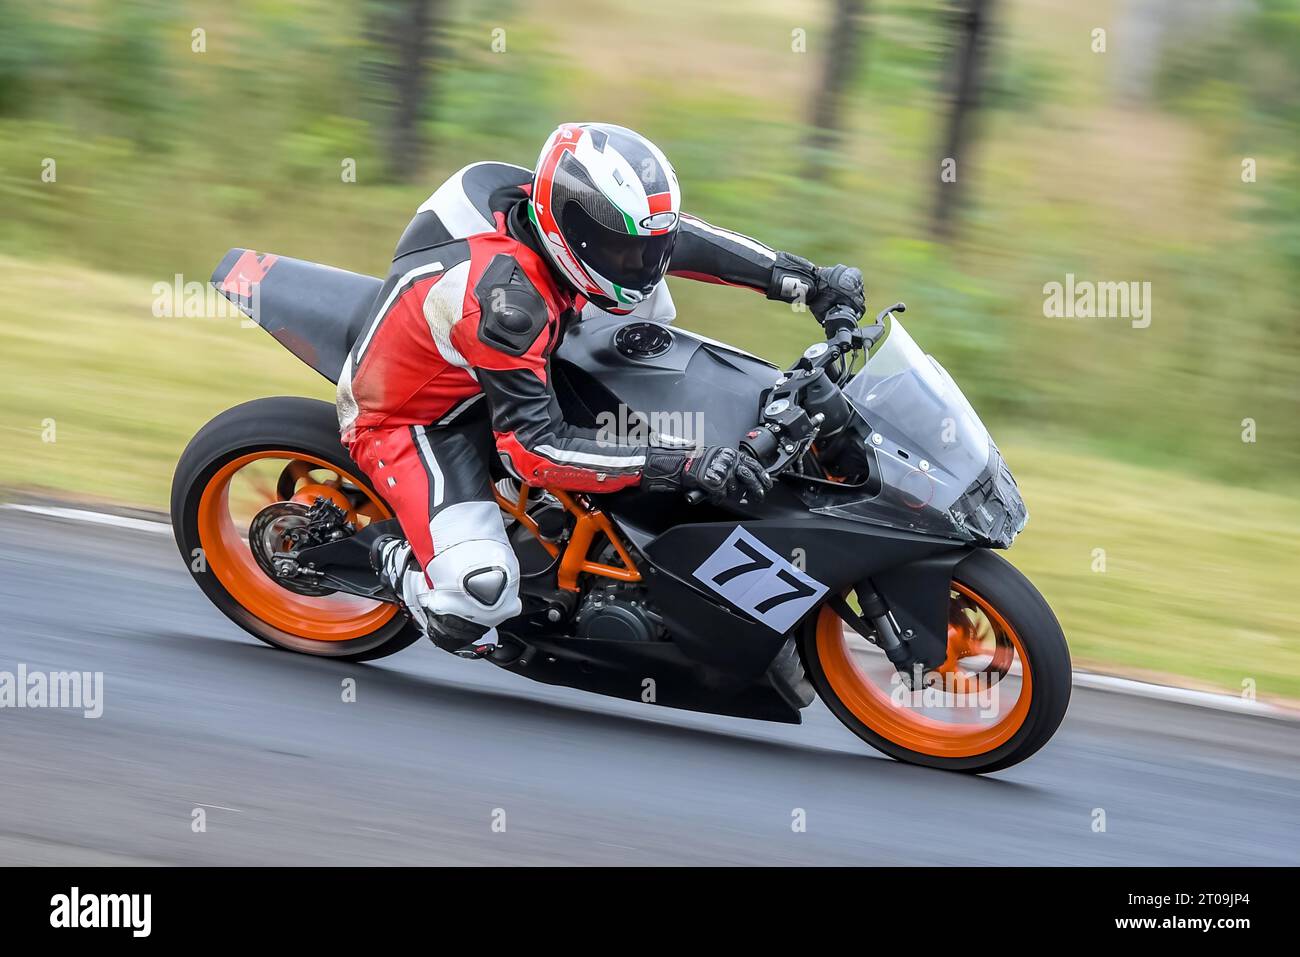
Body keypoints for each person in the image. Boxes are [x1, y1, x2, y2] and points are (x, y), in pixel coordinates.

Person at [336, 122, 865, 655]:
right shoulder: (508, 308)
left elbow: (680, 240)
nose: (643, 265)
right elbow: (531, 451)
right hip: (415, 417)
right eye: (624, 251)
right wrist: (675, 461)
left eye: (646, 248)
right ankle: (392, 558)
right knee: (479, 598)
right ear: (571, 228)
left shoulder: (558, 210)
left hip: (509, 344)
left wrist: (807, 279)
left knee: (650, 317)